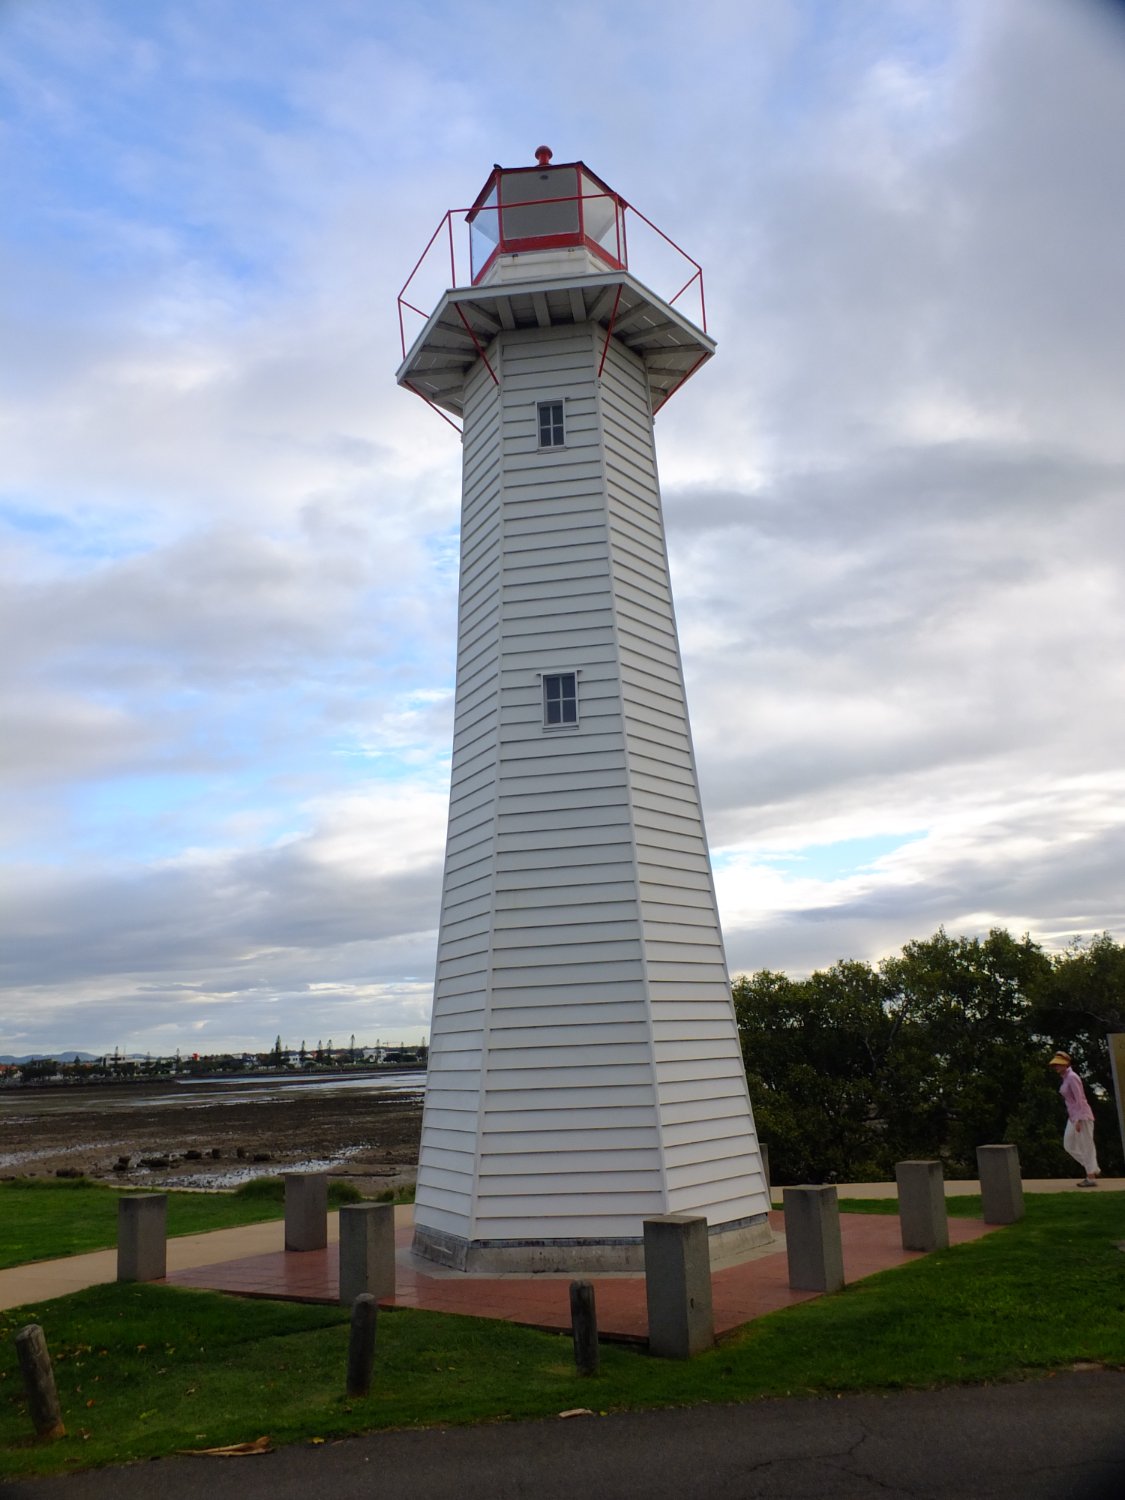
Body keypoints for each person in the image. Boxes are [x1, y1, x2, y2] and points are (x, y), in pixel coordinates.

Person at [1048, 1051, 1100, 1187]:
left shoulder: (1072, 1077)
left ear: (1066, 1064)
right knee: (1069, 1144)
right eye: (1055, 1065)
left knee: (1086, 1145)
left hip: (1081, 1116)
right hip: (1073, 1116)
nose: (1056, 1067)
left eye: (1059, 1065)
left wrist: (1078, 1119)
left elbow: (1080, 1099)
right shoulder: (1066, 1078)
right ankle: (1092, 1167)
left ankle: (1091, 1176)